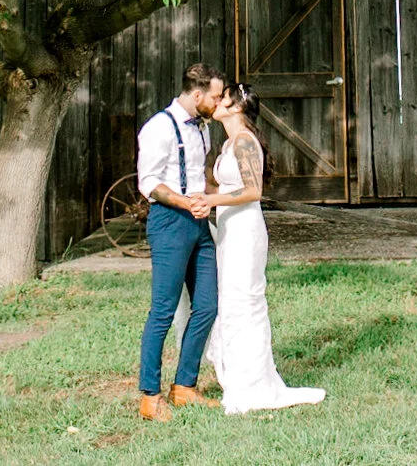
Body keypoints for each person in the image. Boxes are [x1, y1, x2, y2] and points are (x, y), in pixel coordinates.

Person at [200, 80, 326, 414]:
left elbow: (253, 191)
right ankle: (239, 379)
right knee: (231, 301)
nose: (216, 103)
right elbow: (220, 185)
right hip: (229, 228)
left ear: (236, 106)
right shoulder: (229, 144)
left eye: (222, 99)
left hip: (245, 229)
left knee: (247, 301)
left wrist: (211, 200)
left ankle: (255, 385)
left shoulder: (245, 141)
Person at [135, 63, 224, 421]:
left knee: (208, 304)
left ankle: (185, 386)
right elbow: (148, 182)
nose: (218, 103)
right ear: (197, 94)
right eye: (215, 97)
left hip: (199, 224)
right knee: (163, 310)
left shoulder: (202, 128)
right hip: (170, 222)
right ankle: (149, 397)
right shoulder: (158, 127)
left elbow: (199, 177)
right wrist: (186, 203)